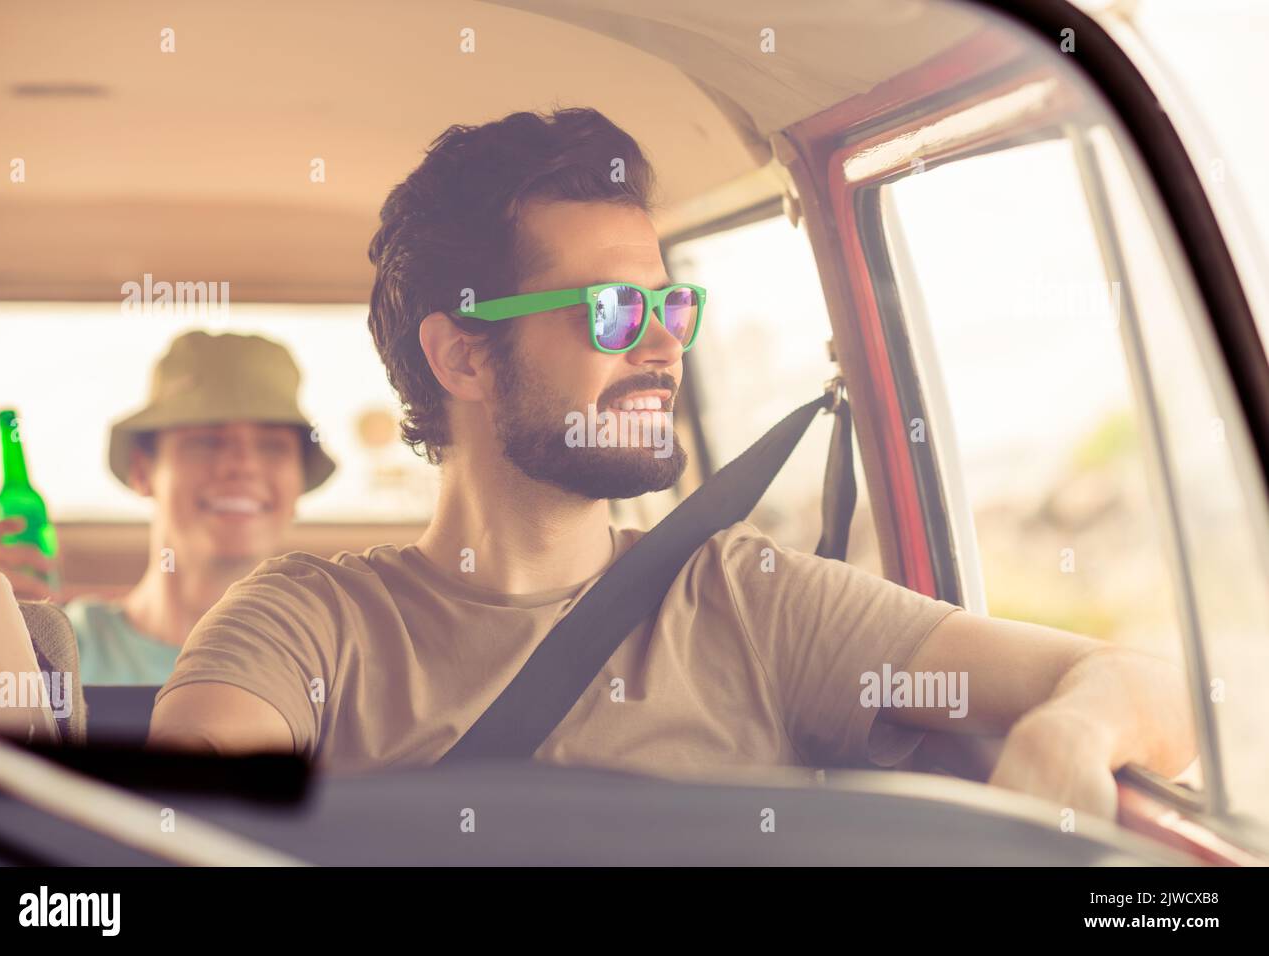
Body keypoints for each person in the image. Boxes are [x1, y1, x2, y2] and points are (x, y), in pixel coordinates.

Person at [147, 108, 1193, 817]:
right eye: (613, 308)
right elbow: (158, 821)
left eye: (669, 301)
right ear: (463, 351)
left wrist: (1070, 733)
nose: (662, 343)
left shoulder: (748, 598)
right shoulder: (306, 620)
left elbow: (1145, 687)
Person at [0, 331, 335, 685]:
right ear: (142, 471)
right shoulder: (60, 652)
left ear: (298, 483)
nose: (242, 465)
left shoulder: (330, 662)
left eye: (272, 446)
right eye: (206, 442)